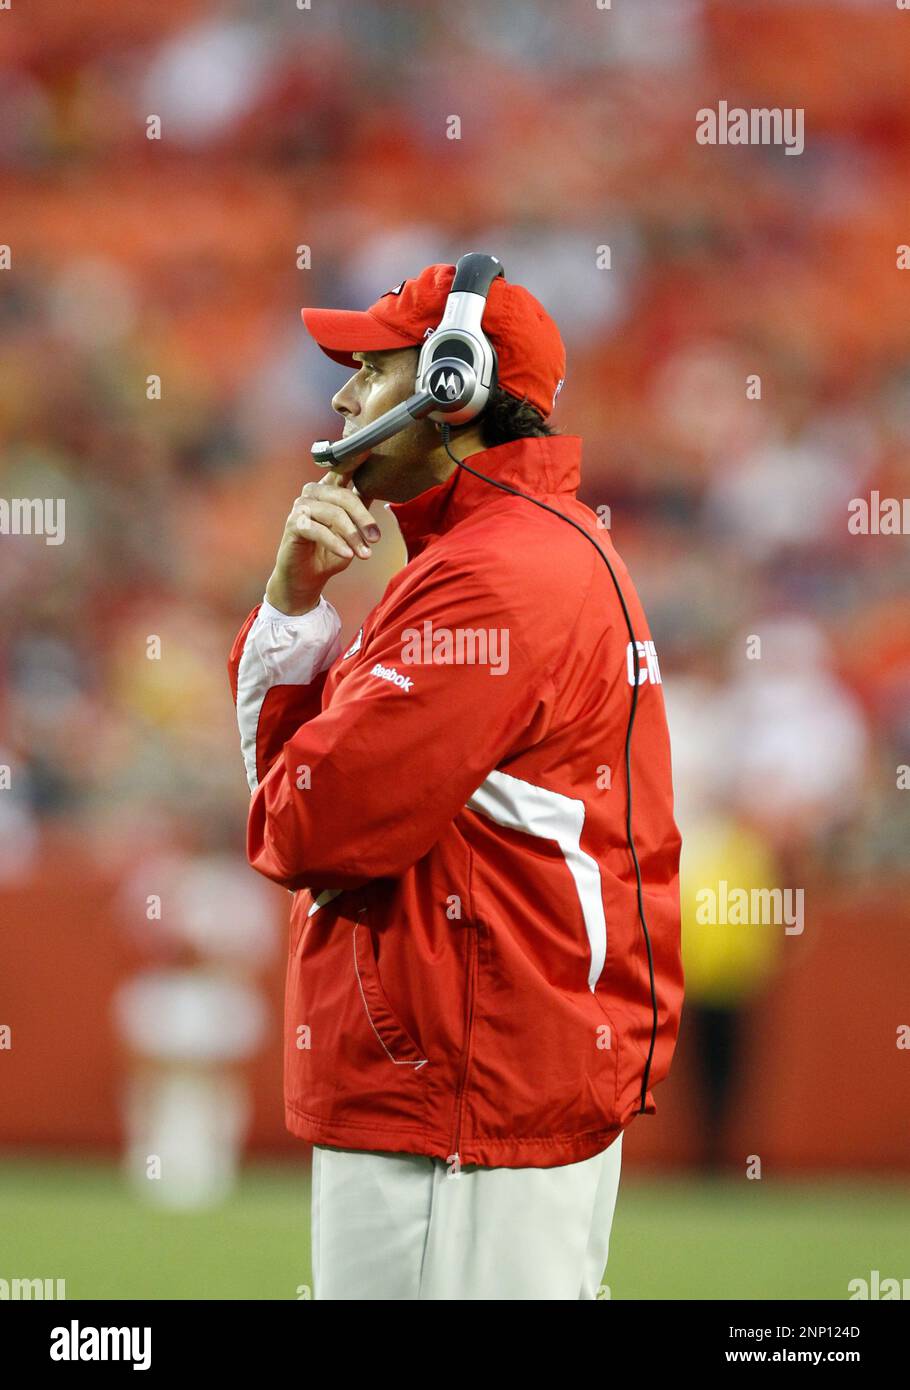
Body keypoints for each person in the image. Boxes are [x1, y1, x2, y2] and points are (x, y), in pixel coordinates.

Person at [227, 262, 684, 1299]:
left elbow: (305, 830)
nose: (342, 398)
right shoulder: (514, 553)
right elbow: (293, 803)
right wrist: (291, 606)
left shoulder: (489, 578)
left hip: (463, 1089)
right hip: (490, 1073)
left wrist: (292, 630)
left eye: (370, 369)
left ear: (452, 385)